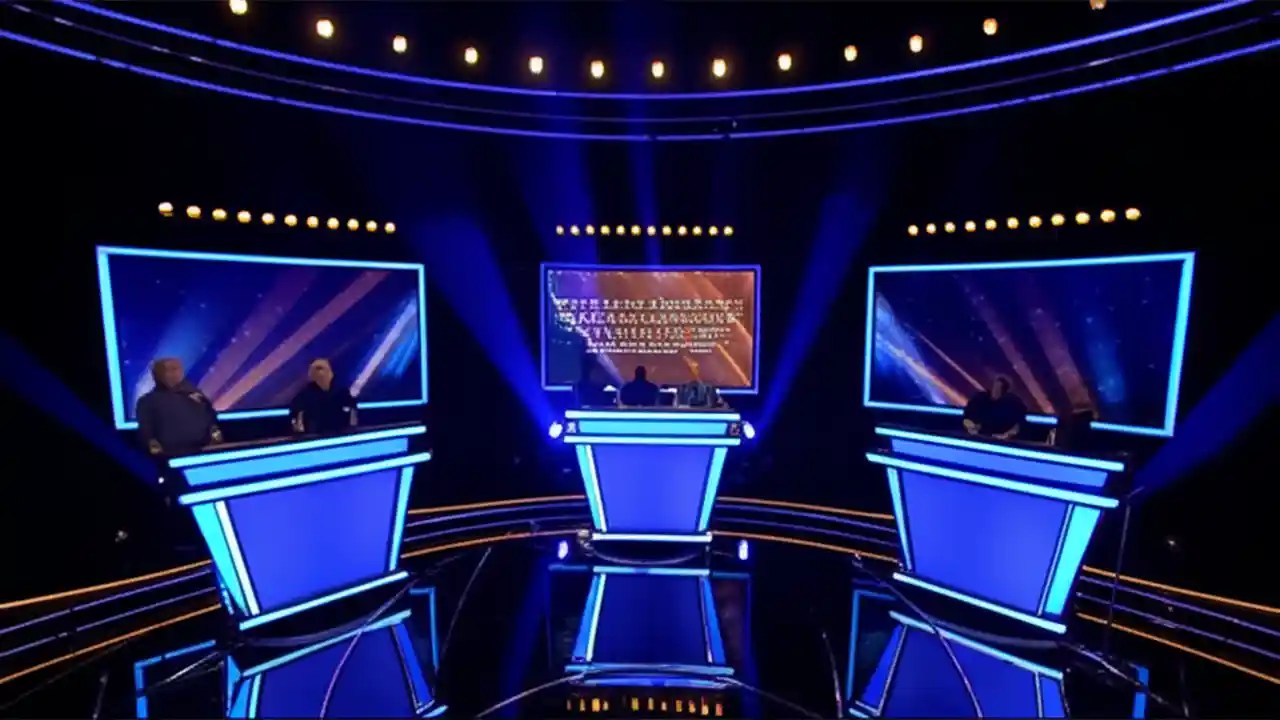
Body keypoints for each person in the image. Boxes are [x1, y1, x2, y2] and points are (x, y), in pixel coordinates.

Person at [136, 357, 222, 455]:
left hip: (201, 452)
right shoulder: (147, 401)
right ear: (157, 374)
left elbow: (212, 422)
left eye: (178, 369)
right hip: (169, 456)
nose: (176, 373)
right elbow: (147, 434)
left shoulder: (196, 395)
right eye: (170, 369)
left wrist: (216, 440)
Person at [290, 358, 357, 434]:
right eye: (313, 369)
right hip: (315, 439)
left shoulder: (343, 393)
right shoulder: (302, 397)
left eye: (320, 368)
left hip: (341, 437)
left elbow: (353, 416)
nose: (318, 372)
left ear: (330, 372)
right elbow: (297, 423)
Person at [963, 375, 1027, 440]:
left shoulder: (1014, 403)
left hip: (1002, 440)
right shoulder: (978, 398)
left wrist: (1006, 435)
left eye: (1000, 388)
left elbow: (1019, 425)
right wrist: (970, 427)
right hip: (977, 438)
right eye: (995, 387)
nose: (996, 391)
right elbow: (966, 418)